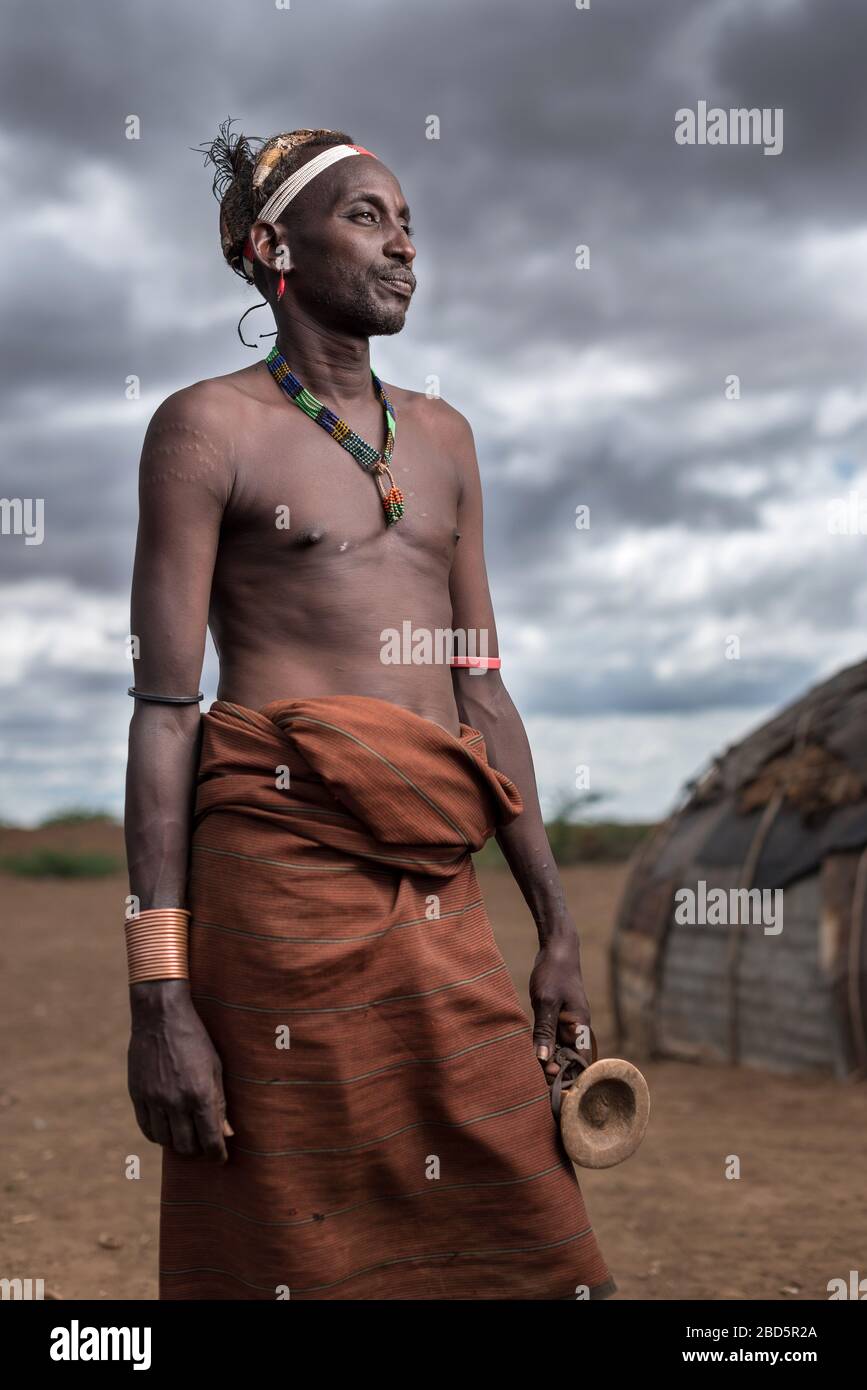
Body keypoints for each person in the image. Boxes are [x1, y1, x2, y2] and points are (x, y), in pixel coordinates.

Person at [124, 121, 616, 1301]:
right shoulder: (207, 429)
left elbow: (481, 688)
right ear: (268, 245)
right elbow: (161, 710)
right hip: (280, 891)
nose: (404, 249)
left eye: (409, 224)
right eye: (367, 217)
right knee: (295, 1231)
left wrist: (555, 926)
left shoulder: (445, 439)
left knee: (530, 1225)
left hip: (441, 890)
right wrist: (160, 1000)